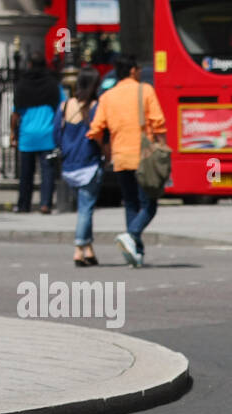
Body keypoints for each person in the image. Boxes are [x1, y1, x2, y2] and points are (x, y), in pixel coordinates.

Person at [87, 55, 167, 267]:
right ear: (132, 70)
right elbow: (158, 123)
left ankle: (136, 253)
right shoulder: (145, 90)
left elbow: (95, 129)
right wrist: (163, 146)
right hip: (144, 156)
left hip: (120, 157)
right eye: (138, 68)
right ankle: (132, 235)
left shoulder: (108, 96)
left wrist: (105, 149)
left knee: (131, 203)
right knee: (149, 204)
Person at [58, 66, 105, 266]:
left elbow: (56, 135)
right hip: (89, 162)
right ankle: (79, 248)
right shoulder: (95, 106)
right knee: (86, 208)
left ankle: (89, 249)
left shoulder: (65, 105)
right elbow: (99, 134)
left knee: (85, 206)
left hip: (69, 164)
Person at [12, 53, 62, 213]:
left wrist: (14, 133)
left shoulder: (22, 85)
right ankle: (45, 203)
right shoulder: (53, 85)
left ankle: (23, 204)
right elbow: (62, 106)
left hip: (27, 136)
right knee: (47, 172)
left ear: (30, 65)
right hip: (47, 134)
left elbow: (15, 114)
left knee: (26, 173)